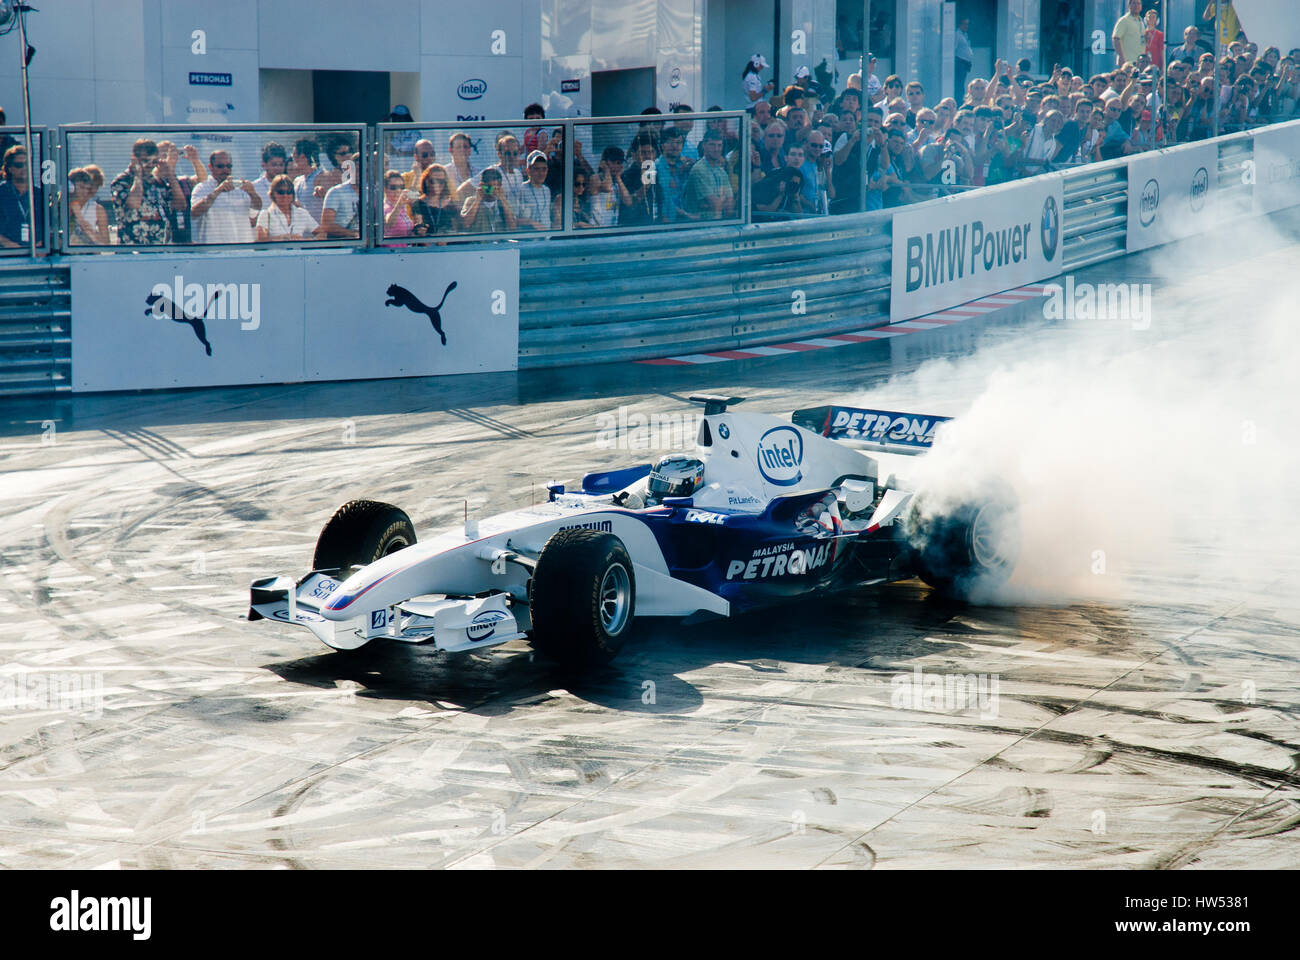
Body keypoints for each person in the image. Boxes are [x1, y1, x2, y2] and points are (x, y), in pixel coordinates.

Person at [110, 138, 181, 246]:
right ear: (135, 159)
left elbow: (180, 205)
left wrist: (170, 175)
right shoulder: (122, 181)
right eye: (146, 161)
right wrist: (138, 176)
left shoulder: (157, 181)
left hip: (159, 248)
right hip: (133, 248)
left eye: (154, 161)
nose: (150, 165)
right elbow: (134, 204)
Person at [190, 150, 261, 244]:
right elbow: (195, 212)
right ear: (210, 167)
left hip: (242, 251)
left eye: (229, 166)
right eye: (220, 166)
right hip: (214, 251)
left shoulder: (240, 188)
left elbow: (255, 213)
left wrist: (252, 193)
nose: (225, 170)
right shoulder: (202, 187)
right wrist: (218, 191)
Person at [156, 140, 206, 243]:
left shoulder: (181, 181)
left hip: (185, 237)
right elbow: (157, 175)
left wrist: (195, 161)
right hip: (163, 239)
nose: (170, 157)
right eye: (165, 154)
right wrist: (168, 165)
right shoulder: (154, 181)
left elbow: (202, 180)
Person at [682, 129, 733, 220]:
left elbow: (730, 208)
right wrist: (722, 199)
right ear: (704, 146)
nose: (716, 149)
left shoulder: (722, 171)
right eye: (712, 145)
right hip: (700, 226)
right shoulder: (699, 170)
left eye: (719, 145)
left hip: (718, 225)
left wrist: (715, 204)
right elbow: (714, 206)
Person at [256, 173, 318, 241]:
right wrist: (284, 238)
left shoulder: (302, 213)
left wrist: (305, 241)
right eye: (281, 192)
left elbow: (322, 233)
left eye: (289, 192)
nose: (285, 196)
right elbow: (261, 241)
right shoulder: (265, 215)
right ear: (273, 194)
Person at [459, 166, 516, 233]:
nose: (492, 190)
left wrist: (503, 200)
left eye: (495, 187)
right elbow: (466, 224)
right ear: (481, 185)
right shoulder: (471, 201)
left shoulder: (504, 203)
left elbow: (512, 227)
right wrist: (477, 200)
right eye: (489, 187)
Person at [320, 149, 361, 239]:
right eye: (358, 170)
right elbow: (327, 225)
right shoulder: (336, 192)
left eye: (366, 170)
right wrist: (354, 234)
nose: (361, 173)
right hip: (342, 248)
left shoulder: (372, 193)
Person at [411, 164, 462, 236]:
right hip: (428, 243)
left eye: (441, 181)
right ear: (426, 181)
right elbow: (419, 229)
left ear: (445, 183)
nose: (436, 184)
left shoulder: (451, 204)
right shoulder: (418, 204)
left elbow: (457, 230)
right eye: (432, 181)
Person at [68, 167, 109, 245]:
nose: (92, 189)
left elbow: (106, 242)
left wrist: (92, 233)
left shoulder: (98, 209)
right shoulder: (63, 204)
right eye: (90, 184)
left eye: (96, 186)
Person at [516, 149, 556, 231]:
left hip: (546, 239)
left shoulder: (546, 190)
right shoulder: (521, 189)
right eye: (537, 169)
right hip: (528, 240)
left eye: (543, 169)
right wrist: (532, 222)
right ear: (528, 170)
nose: (541, 173)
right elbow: (514, 220)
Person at [250, 141, 288, 208]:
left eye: (281, 165)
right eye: (274, 165)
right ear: (264, 164)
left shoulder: (289, 187)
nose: (278, 168)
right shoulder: (255, 188)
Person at [380, 170, 416, 238]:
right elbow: (390, 223)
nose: (398, 190)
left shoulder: (402, 207)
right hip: (391, 247)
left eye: (401, 187)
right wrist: (400, 203)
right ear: (385, 189)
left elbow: (415, 195)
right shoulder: (384, 207)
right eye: (393, 187)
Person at [1113, 0, 1145, 67]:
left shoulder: (1141, 22)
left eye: (1138, 3)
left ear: (1141, 7)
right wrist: (1122, 58)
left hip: (1139, 63)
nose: (1136, 6)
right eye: (1134, 3)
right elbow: (1116, 39)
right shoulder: (1124, 20)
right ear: (1129, 6)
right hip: (1127, 63)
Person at [954, 18, 973, 100]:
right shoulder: (957, 34)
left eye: (967, 24)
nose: (966, 26)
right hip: (959, 62)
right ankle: (958, 100)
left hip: (965, 63)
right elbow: (954, 48)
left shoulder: (964, 34)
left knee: (962, 84)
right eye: (964, 24)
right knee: (959, 84)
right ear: (960, 24)